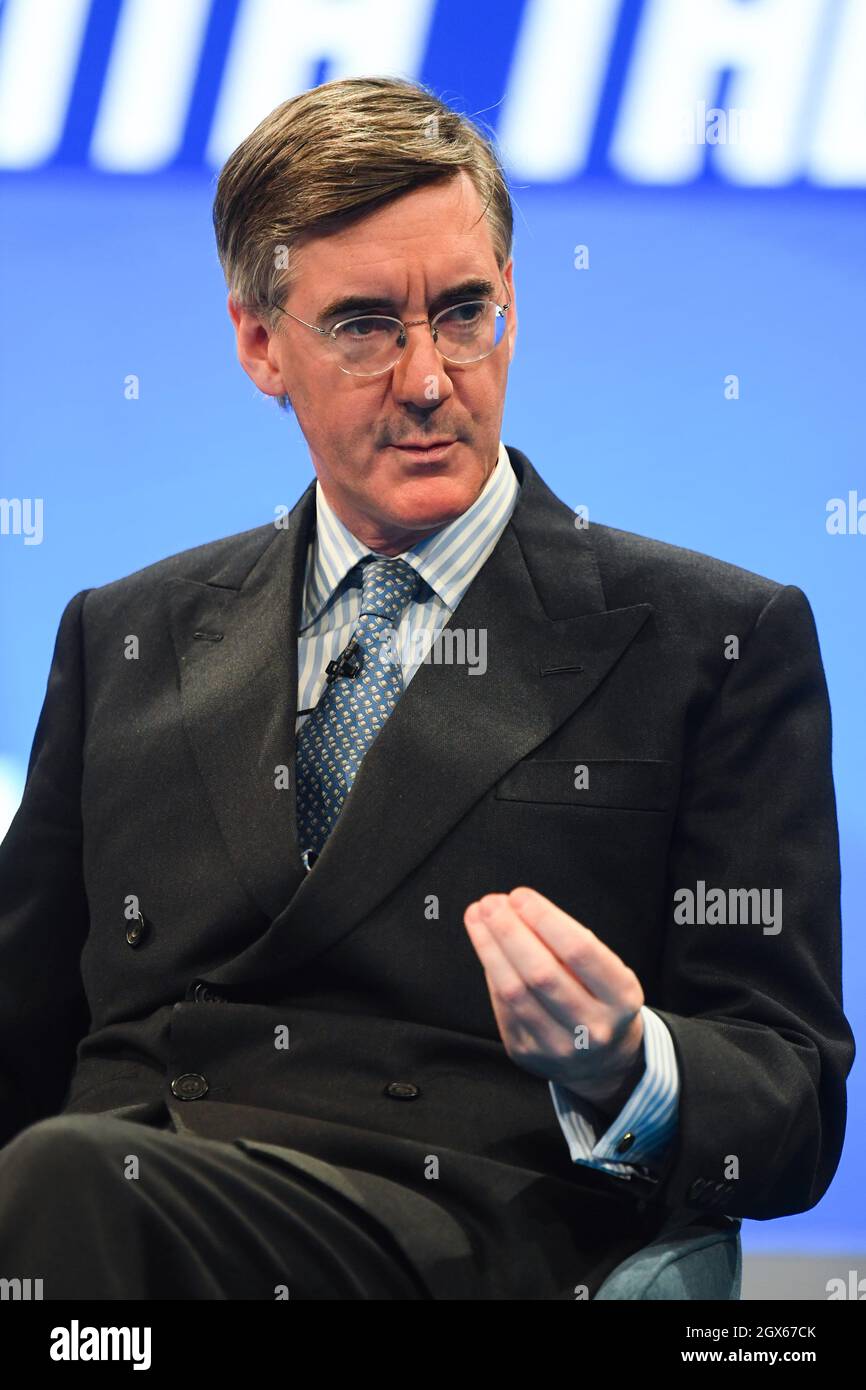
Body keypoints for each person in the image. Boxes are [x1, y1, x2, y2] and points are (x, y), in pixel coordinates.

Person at [0, 76, 854, 1301]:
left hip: (445, 1237)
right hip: (116, 1215)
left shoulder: (709, 640)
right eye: (361, 326)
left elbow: (787, 1099)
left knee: (72, 1185)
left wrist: (626, 1062)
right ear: (257, 343)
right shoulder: (126, 634)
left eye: (463, 314)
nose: (426, 379)